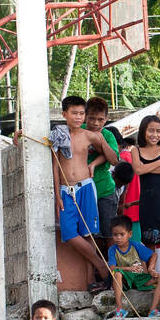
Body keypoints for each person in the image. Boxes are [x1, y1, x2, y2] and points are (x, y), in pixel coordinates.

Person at [50, 95, 119, 293]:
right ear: (64, 114)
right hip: (65, 190)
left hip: (86, 188)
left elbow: (112, 158)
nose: (79, 117)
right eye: (75, 113)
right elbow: (55, 166)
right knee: (70, 233)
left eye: (81, 113)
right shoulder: (58, 134)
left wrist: (100, 143)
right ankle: (102, 267)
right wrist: (57, 195)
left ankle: (95, 278)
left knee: (88, 233)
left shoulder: (91, 136)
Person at [130, 116, 160, 283]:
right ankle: (149, 277)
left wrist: (147, 169)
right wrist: (159, 163)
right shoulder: (135, 150)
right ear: (143, 131)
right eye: (151, 130)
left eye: (158, 131)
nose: (155, 134)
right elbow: (137, 170)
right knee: (149, 240)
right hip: (147, 201)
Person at [107, 215, 160, 318]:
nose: (118, 238)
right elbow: (112, 268)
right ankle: (119, 309)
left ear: (130, 234)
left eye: (122, 234)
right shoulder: (112, 249)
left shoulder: (135, 245)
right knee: (117, 274)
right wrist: (128, 269)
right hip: (125, 280)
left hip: (139, 278)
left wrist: (151, 268)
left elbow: (153, 255)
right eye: (115, 235)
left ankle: (152, 310)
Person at [83, 97, 120, 252]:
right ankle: (97, 272)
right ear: (85, 116)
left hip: (105, 191)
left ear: (106, 119)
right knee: (91, 236)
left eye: (100, 119)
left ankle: (113, 272)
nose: (96, 123)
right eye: (92, 119)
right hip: (83, 192)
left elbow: (114, 160)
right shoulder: (78, 131)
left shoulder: (108, 135)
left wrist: (100, 139)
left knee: (110, 235)